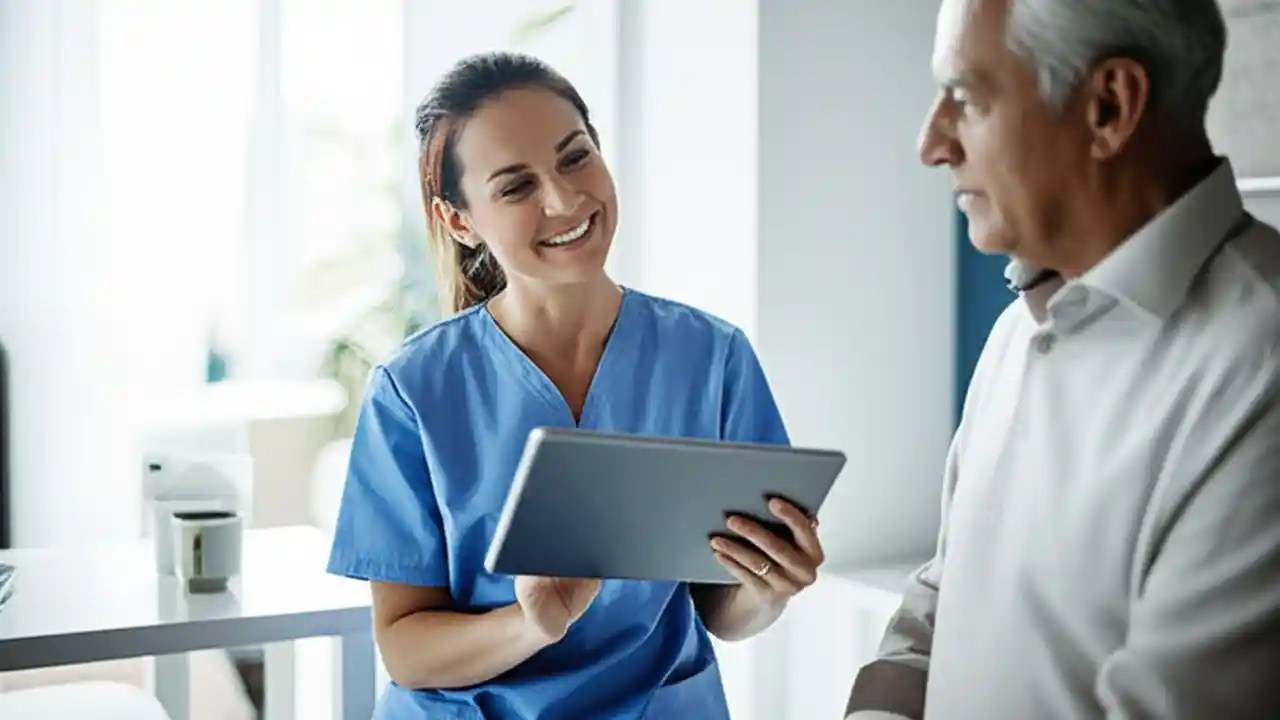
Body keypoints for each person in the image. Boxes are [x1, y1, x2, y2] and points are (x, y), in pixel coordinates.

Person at [326, 51, 826, 719]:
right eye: (515, 186)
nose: (564, 200)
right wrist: (534, 622)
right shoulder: (413, 390)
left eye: (574, 158)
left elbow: (722, 612)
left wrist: (770, 588)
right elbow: (405, 648)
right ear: (459, 220)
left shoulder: (711, 357)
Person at [846, 0, 1280, 718]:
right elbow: (939, 608)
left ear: (1108, 106)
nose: (931, 144)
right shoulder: (1015, 333)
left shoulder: (1260, 368)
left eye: (967, 98)